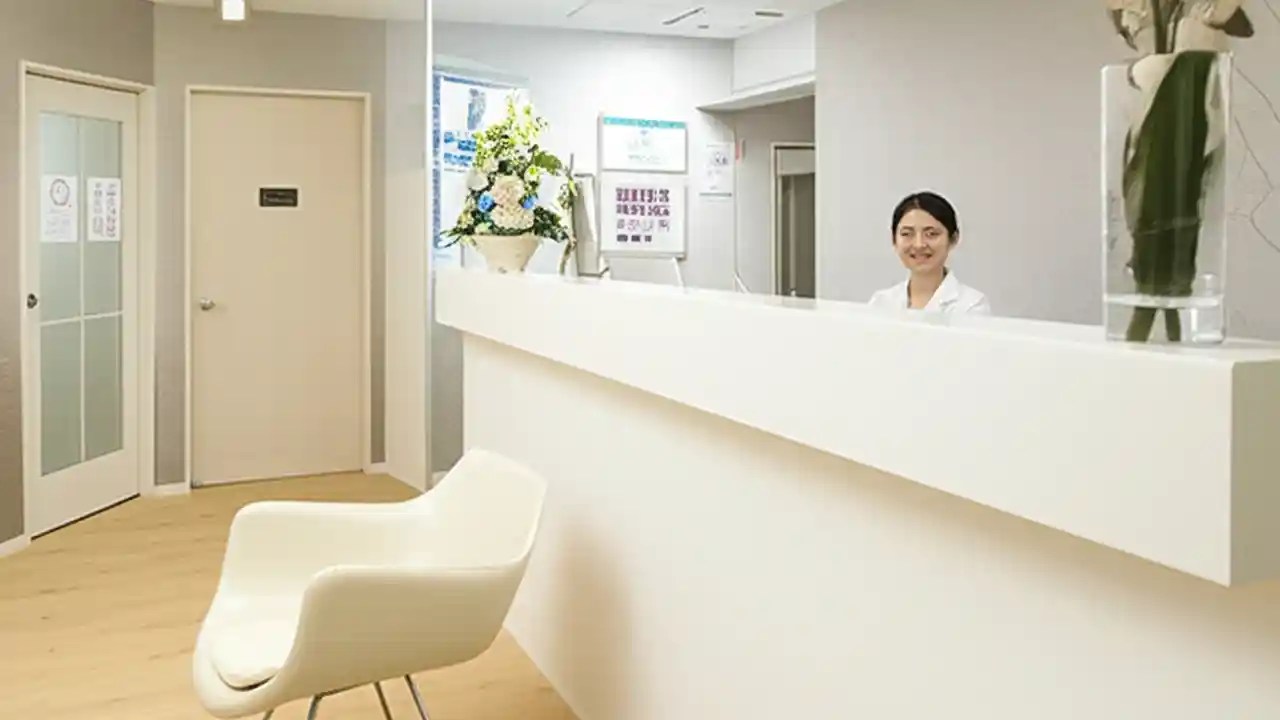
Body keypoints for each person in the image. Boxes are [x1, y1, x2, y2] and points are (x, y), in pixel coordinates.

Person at [868, 191, 990, 315]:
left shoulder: (972, 306)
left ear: (953, 239)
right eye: (907, 234)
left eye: (931, 234)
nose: (919, 244)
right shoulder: (881, 302)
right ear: (894, 239)